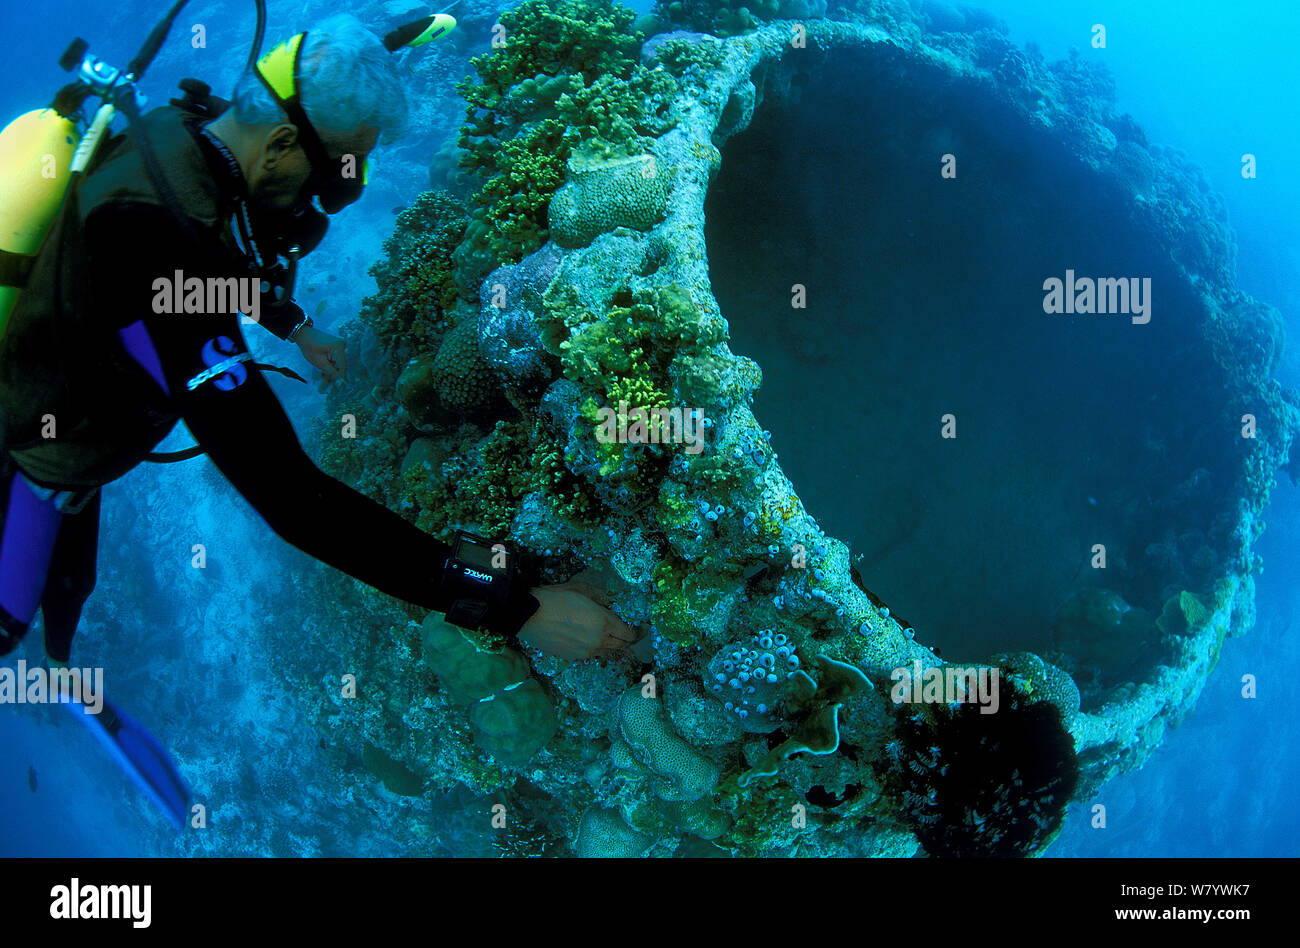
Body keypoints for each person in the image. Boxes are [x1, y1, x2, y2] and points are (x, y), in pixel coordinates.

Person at [0, 15, 636, 667]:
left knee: (69, 602)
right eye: (335, 176)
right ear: (280, 143)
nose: (323, 206)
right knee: (17, 618)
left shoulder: (198, 133)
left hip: (95, 421)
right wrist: (521, 610)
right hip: (48, 458)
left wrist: (295, 327)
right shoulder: (155, 243)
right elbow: (292, 500)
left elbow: (226, 256)